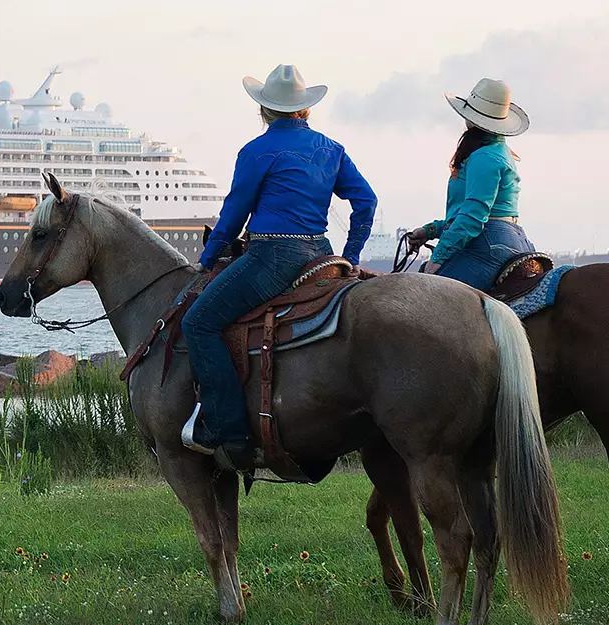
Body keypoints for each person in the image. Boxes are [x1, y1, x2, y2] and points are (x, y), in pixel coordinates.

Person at [181, 63, 378, 470]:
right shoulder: (331, 149)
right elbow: (366, 201)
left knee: (198, 323)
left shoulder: (256, 151)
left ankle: (228, 429)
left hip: (272, 257)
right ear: (304, 109)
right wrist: (352, 255)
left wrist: (206, 258)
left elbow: (234, 213)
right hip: (322, 256)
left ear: (264, 110)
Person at [403, 78, 533, 291]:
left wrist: (439, 256)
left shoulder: (484, 157)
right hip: (513, 237)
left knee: (426, 293)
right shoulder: (499, 152)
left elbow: (474, 216)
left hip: (488, 243)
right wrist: (431, 230)